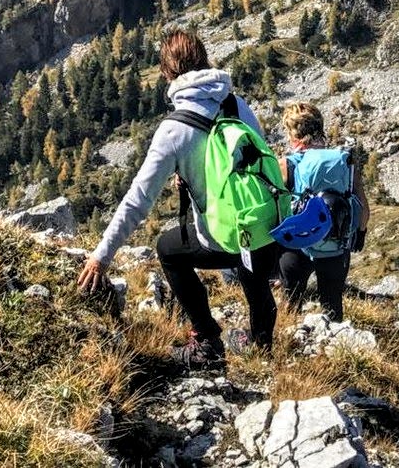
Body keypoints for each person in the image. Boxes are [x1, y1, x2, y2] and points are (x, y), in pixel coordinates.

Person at [77, 29, 281, 367]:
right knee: (248, 245)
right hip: (264, 225)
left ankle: (207, 341)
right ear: (204, 60)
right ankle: (262, 346)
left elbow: (138, 199)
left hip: (222, 236)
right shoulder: (235, 103)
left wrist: (102, 255)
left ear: (166, 73)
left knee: (169, 250)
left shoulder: (173, 130)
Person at [276, 102, 370, 321]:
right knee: (332, 303)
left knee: (290, 304)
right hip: (335, 245)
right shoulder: (343, 160)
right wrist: (360, 235)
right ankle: (334, 344)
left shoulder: (286, 164)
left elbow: (275, 207)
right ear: (321, 127)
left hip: (296, 246)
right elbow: (363, 206)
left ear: (292, 134)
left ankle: (288, 345)